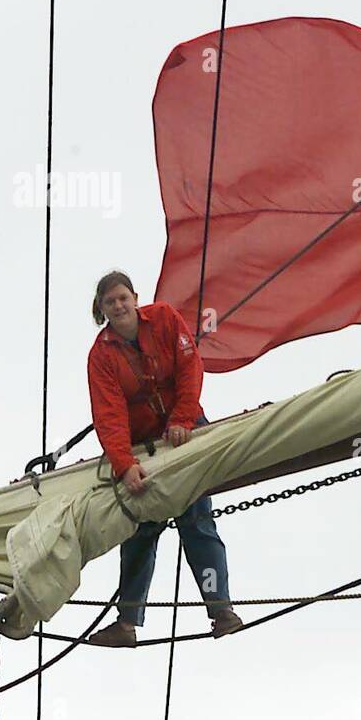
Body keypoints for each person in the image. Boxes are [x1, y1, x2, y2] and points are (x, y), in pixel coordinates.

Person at [84, 270, 242, 647]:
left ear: (135, 298)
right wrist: (124, 465)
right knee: (139, 531)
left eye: (123, 298)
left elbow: (190, 368)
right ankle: (127, 623)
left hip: (185, 430)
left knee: (197, 522)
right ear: (102, 309)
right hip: (142, 448)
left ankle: (221, 610)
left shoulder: (166, 319)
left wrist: (183, 419)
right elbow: (108, 415)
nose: (118, 306)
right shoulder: (101, 357)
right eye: (110, 302)